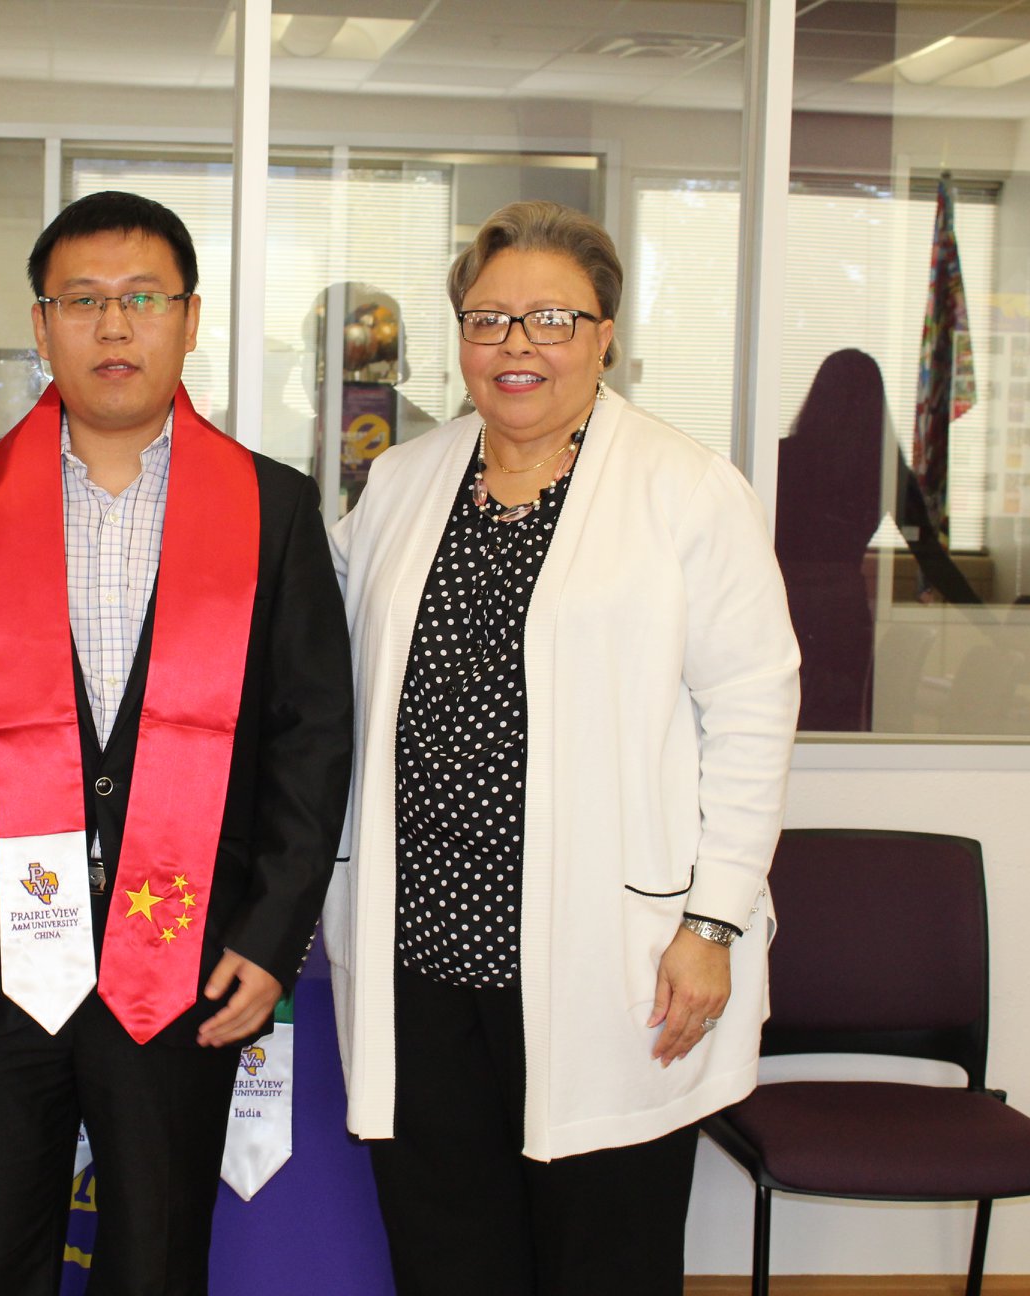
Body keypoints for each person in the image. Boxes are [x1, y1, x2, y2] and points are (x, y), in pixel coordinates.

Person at [0, 190, 353, 1294]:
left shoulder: (273, 510)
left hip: (185, 951)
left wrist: (273, 930)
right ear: (42, 326)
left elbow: (311, 739)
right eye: (82, 301)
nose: (115, 327)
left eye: (144, 299)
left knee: (156, 1256)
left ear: (190, 318)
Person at [323, 200, 799, 1294]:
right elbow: (306, 639)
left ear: (606, 334)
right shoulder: (402, 483)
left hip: (609, 958)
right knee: (448, 1253)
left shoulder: (686, 490)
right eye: (489, 321)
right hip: (423, 954)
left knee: (604, 1255)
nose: (517, 346)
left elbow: (755, 706)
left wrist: (713, 920)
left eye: (551, 318)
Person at [774, 347, 980, 730]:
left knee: (779, 717)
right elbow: (932, 558)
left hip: (786, 604)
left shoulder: (782, 458)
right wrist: (990, 620)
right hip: (842, 611)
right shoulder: (884, 468)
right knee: (838, 723)